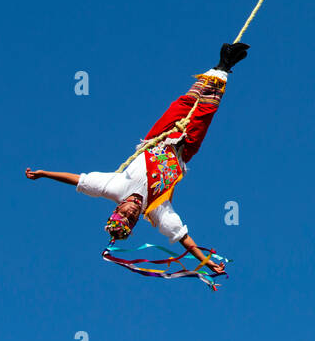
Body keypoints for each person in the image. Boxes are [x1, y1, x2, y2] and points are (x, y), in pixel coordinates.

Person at [24, 42, 250, 273]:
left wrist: (44, 174)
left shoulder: (113, 188)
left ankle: (220, 65)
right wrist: (205, 261)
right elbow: (183, 237)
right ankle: (225, 66)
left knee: (185, 103)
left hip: (158, 137)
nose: (131, 213)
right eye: (131, 219)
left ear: (118, 208)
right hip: (184, 150)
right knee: (205, 111)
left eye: (124, 214)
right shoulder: (155, 210)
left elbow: (78, 180)